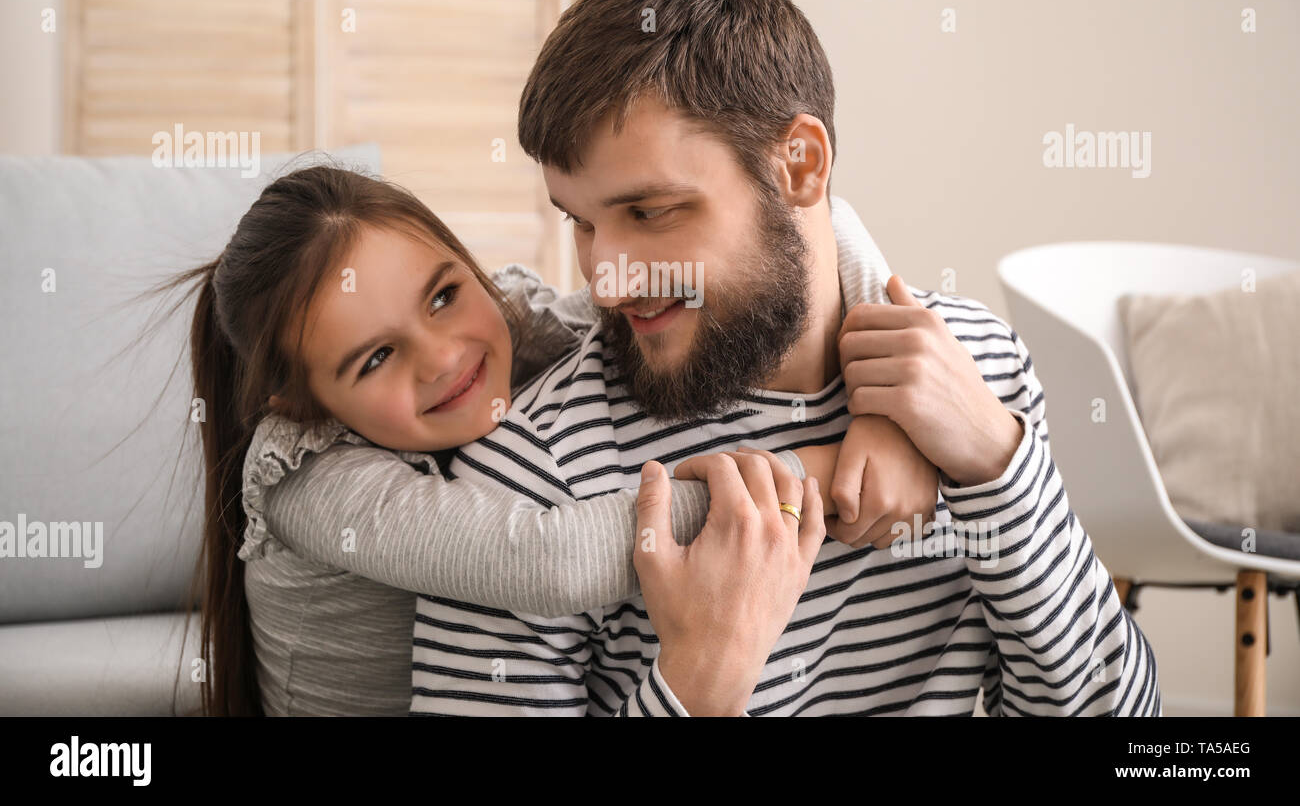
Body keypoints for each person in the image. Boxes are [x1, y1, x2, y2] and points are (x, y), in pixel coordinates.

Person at [410, 0, 1162, 716]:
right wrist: (699, 682)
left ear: (800, 166)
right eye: (582, 222)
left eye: (650, 213)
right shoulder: (531, 475)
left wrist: (1002, 465)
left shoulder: (976, 371)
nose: (608, 279)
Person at [162, 161, 932, 715]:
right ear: (299, 399)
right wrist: (821, 471)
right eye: (376, 357)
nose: (445, 357)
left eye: (442, 294)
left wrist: (887, 415)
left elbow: (824, 217)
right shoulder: (313, 483)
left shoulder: (532, 330)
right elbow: (547, 558)